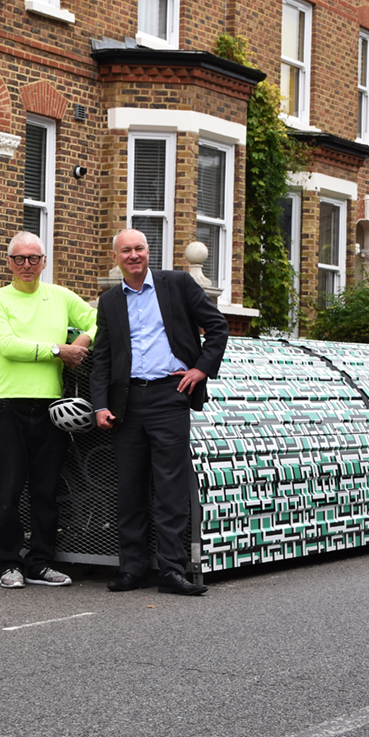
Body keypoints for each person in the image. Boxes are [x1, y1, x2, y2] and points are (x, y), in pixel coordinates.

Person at [90, 229, 229, 595]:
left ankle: (171, 571)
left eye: (139, 248)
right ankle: (132, 570)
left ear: (148, 252)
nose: (133, 255)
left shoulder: (178, 284)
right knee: (129, 489)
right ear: (116, 257)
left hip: (170, 395)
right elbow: (102, 358)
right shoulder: (109, 301)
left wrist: (200, 369)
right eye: (126, 251)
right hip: (126, 403)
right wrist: (100, 405)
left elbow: (217, 327)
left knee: (170, 489)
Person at [0, 231, 98, 589]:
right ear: (9, 263)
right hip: (9, 404)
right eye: (19, 258)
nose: (27, 265)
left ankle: (40, 563)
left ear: (44, 261)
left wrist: (82, 340)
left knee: (46, 491)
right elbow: (7, 345)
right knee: (8, 490)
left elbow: (100, 319)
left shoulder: (60, 296)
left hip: (51, 406)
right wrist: (58, 350)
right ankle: (9, 564)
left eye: (34, 258)